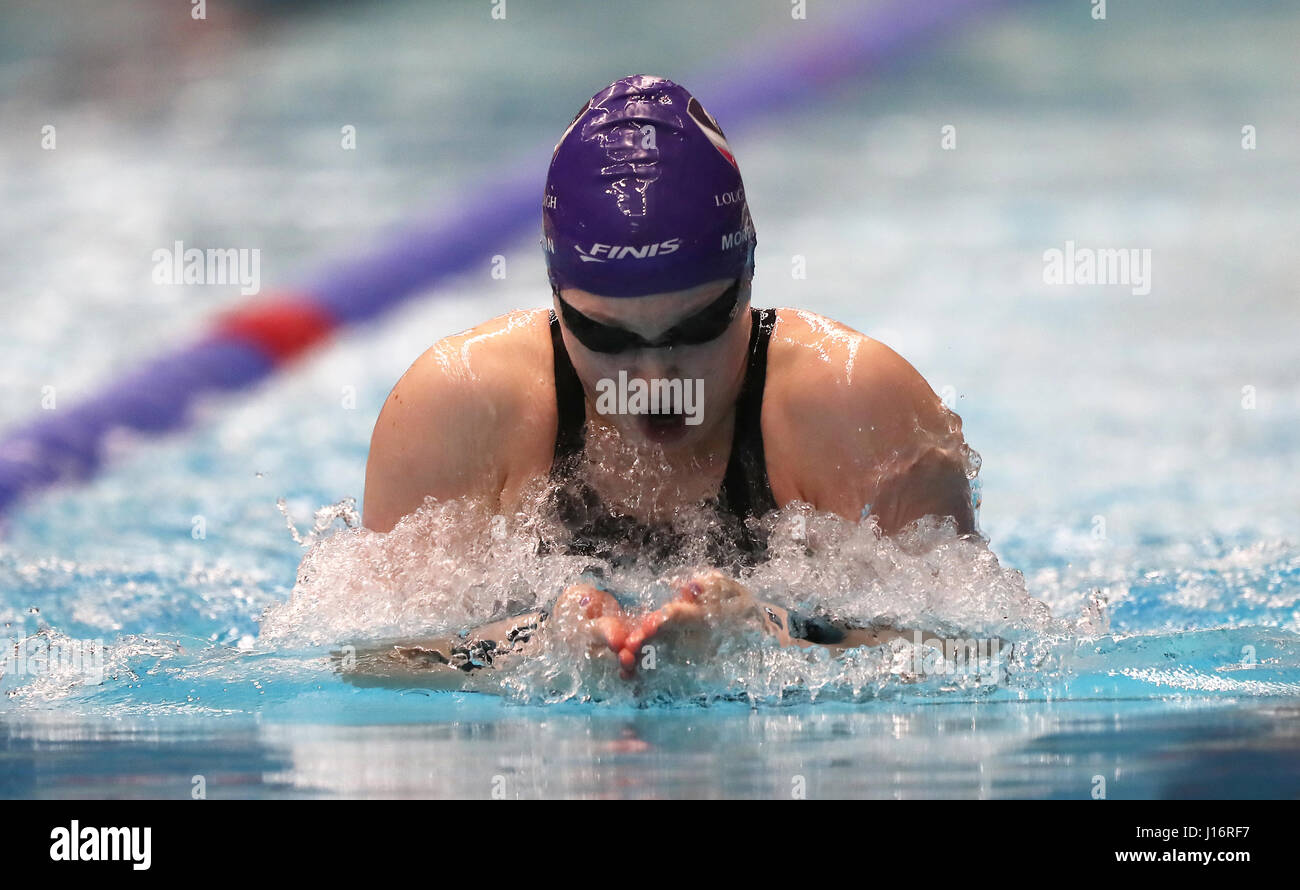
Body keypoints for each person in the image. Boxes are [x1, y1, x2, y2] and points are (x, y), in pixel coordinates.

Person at [362, 75, 977, 680]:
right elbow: (377, 664)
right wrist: (537, 644)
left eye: (698, 325)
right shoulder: (461, 404)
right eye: (607, 336)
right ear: (556, 299)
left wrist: (766, 634)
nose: (654, 377)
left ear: (748, 278)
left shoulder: (857, 404)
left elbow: (968, 655)